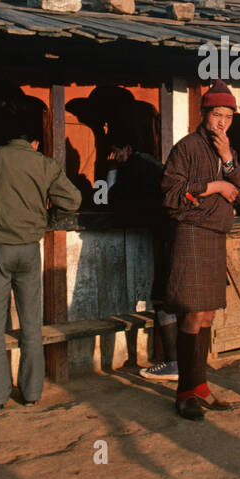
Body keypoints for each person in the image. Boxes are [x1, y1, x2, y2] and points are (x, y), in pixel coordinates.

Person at [0, 113, 82, 413]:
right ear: (33, 142)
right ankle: (31, 392)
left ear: (9, 140)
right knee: (31, 322)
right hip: (29, 249)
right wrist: (50, 218)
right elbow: (73, 200)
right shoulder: (43, 163)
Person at [159, 80, 240, 419]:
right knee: (192, 313)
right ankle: (185, 392)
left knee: (209, 313)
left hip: (215, 236)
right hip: (192, 236)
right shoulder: (186, 148)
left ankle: (201, 385)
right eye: (217, 115)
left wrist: (228, 161)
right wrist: (215, 186)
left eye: (228, 116)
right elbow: (172, 196)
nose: (222, 123)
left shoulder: (228, 150)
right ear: (204, 114)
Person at [105, 140, 177, 381]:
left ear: (127, 148)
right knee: (173, 296)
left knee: (163, 296)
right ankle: (180, 361)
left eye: (116, 151)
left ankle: (174, 362)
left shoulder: (137, 166)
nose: (113, 156)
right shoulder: (151, 165)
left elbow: (116, 199)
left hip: (166, 234)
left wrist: (113, 177)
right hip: (169, 231)